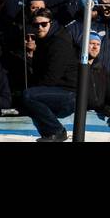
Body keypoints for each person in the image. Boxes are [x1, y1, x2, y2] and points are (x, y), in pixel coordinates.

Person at [17, 8, 78, 141]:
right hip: (56, 92)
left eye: (43, 24)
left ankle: (57, 131)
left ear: (51, 23)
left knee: (28, 96)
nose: (39, 28)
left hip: (68, 95)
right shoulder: (44, 40)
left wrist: (32, 91)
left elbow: (51, 78)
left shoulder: (59, 42)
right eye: (36, 25)